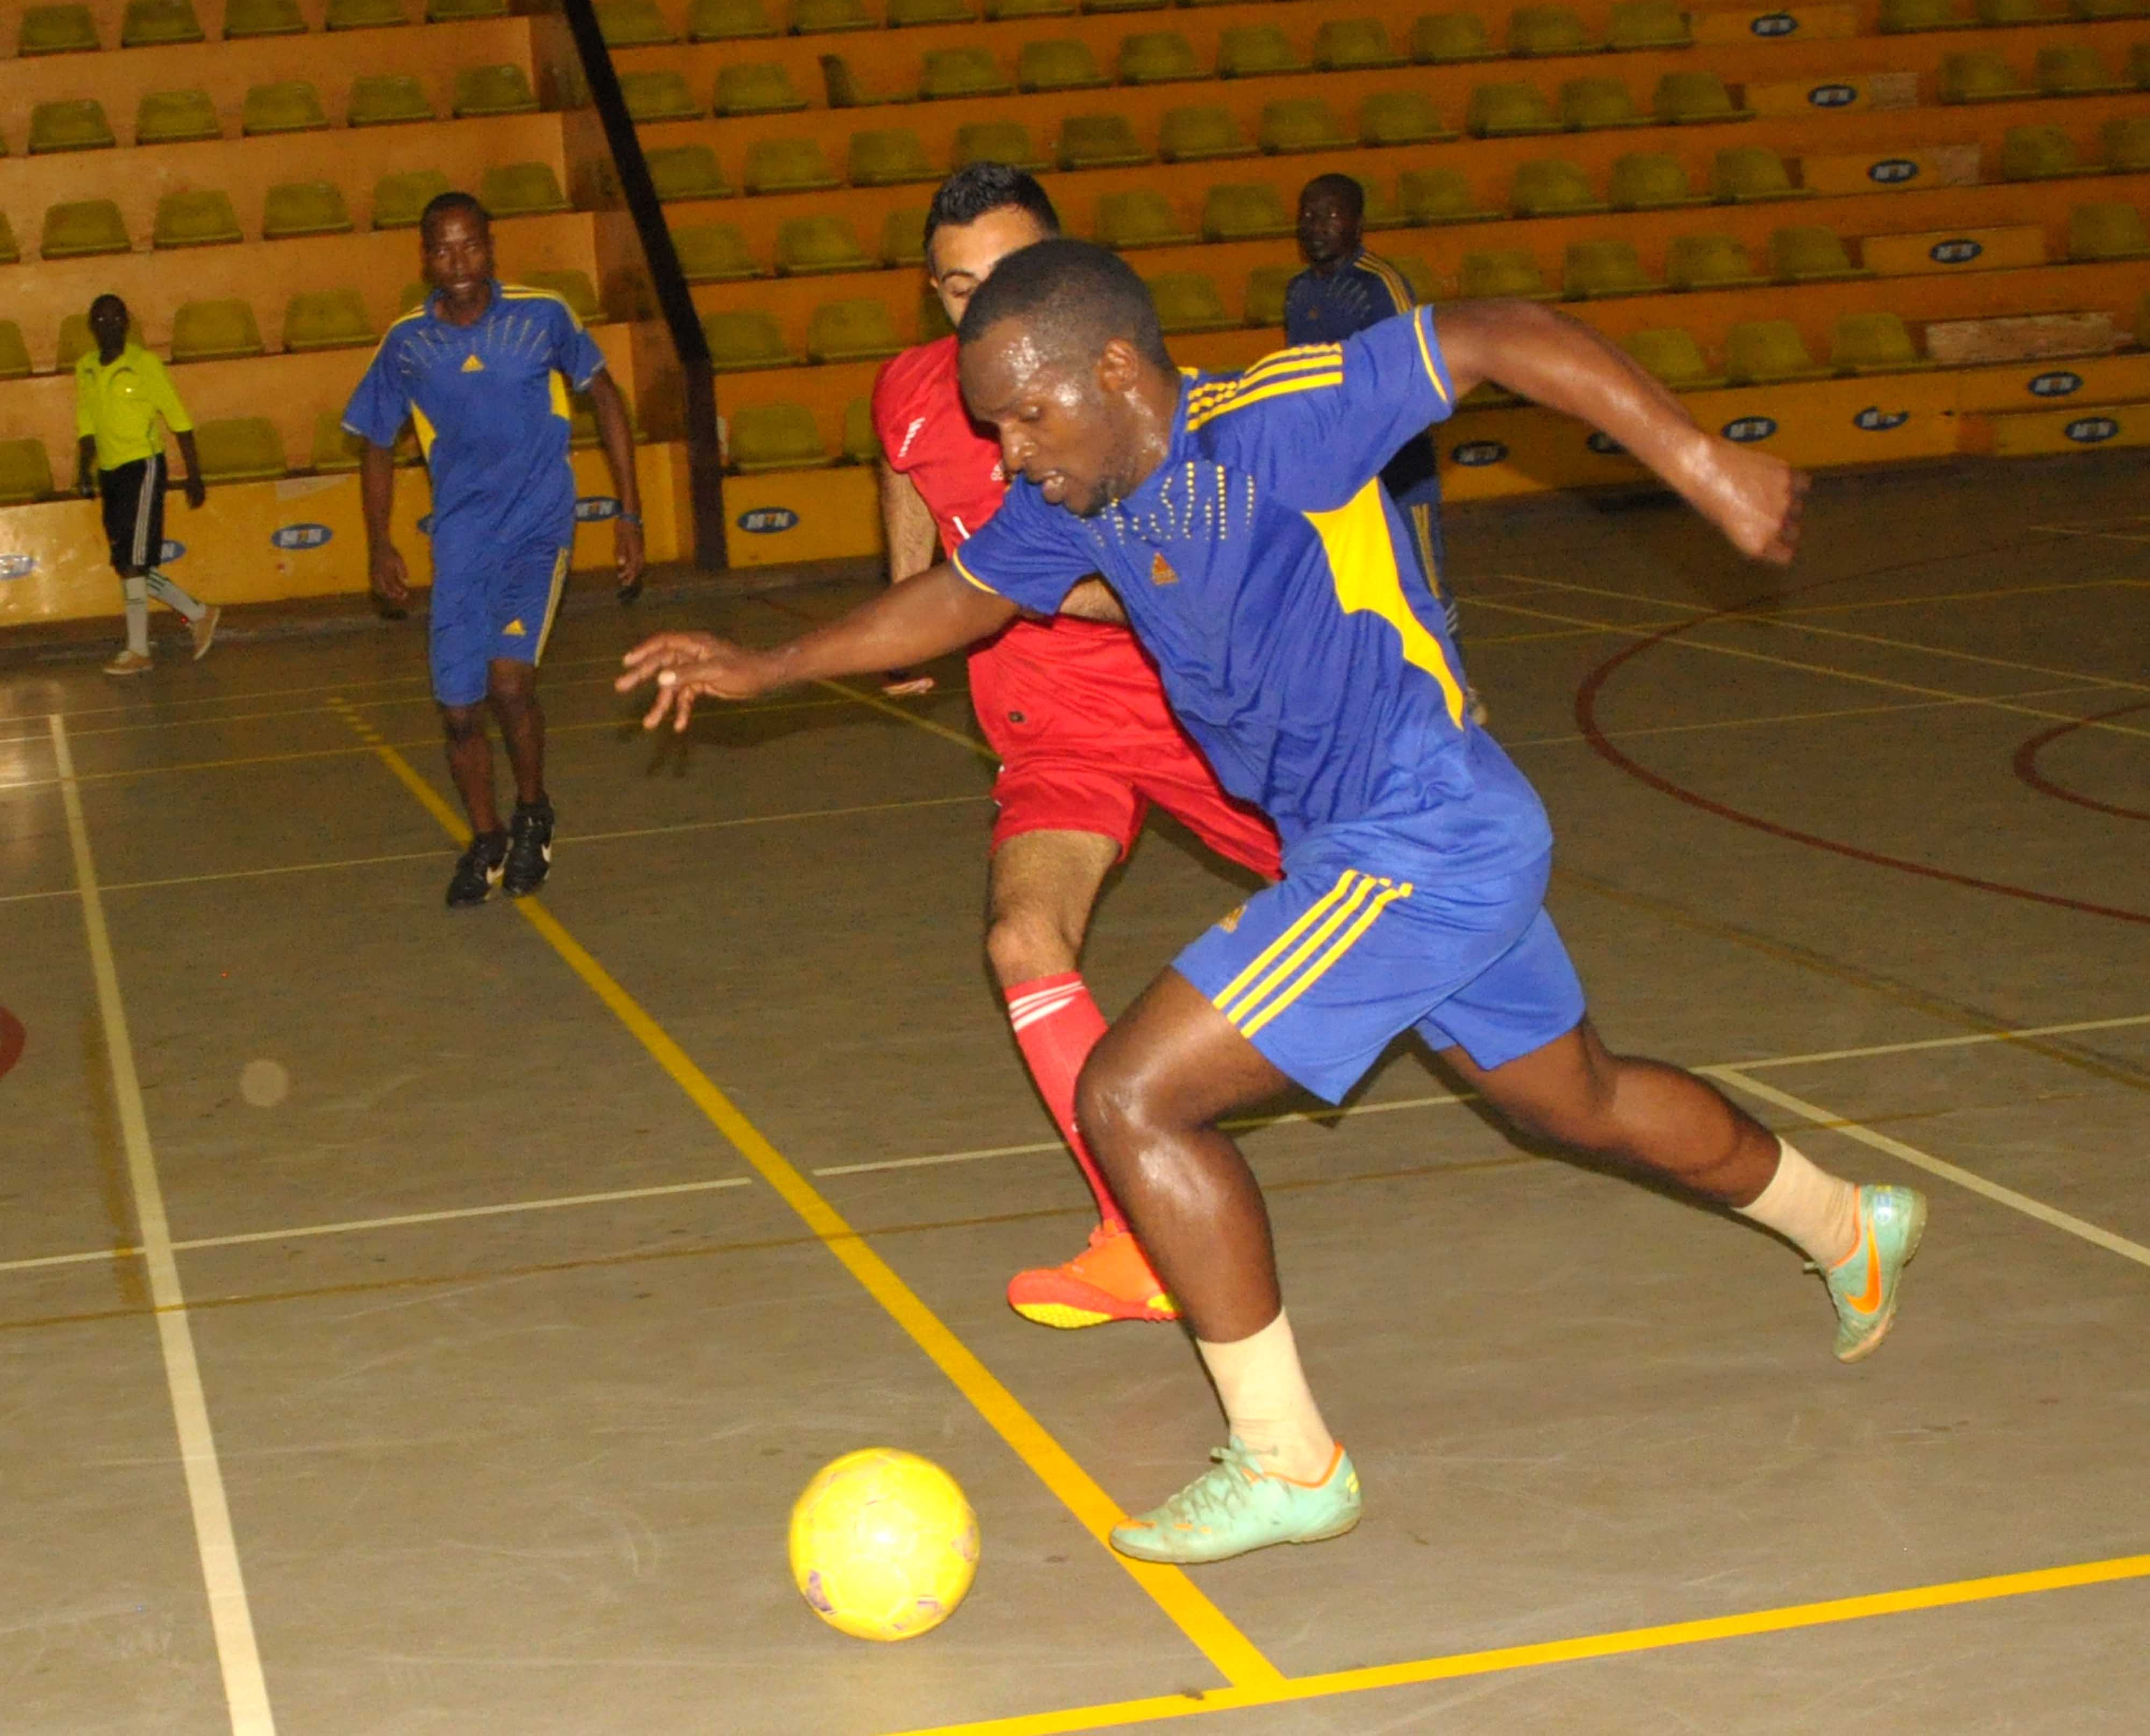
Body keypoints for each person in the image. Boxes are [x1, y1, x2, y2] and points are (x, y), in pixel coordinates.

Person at [618, 242, 1928, 1566]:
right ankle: (1844, 1224)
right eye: (993, 426)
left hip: (1416, 833)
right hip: (1405, 842)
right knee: (1574, 1098)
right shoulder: (1080, 500)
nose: (1008, 453)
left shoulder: (1272, 425)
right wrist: (766, 665)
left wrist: (1700, 462)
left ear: (1115, 369)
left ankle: (1285, 1458)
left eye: (1025, 416)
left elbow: (1494, 331)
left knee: (1133, 1095)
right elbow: (958, 596)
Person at [871, 164, 1284, 1331]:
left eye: (1008, 275)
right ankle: (1137, 1234)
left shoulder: (1123, 400)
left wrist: (991, 594)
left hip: (1188, 710)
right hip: (1049, 731)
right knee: (1021, 938)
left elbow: (1179, 574)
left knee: (1389, 900)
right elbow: (903, 460)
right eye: (958, 287)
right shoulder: (911, 391)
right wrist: (909, 592)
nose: (983, 304)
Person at [343, 192, 646, 907]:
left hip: (538, 528)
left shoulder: (543, 315)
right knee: (458, 710)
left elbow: (606, 397)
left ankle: (533, 810)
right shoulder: (407, 344)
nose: (458, 261)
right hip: (460, 541)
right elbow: (377, 442)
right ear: (426, 256)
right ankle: (486, 838)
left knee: (510, 684)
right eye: (443, 248)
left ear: (491, 247)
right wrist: (379, 541)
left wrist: (628, 513)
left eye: (471, 245)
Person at [1284, 173, 1476, 715]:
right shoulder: (1298, 293)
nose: (1316, 226)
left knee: (1423, 587)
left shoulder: (1379, 286)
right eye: (1308, 214)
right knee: (1349, 590)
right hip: (1337, 477)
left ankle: (1457, 691)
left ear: (1357, 223)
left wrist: (1370, 445)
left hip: (1398, 472)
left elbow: (1408, 378)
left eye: (1330, 215)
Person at [74, 294, 220, 676]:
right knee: (128, 562)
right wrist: (83, 468)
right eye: (100, 321)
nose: (108, 327)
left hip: (143, 467)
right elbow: (87, 421)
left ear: (127, 323)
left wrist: (194, 475)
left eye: (115, 319)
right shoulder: (86, 368)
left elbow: (179, 419)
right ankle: (198, 613)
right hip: (110, 472)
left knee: (134, 563)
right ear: (91, 327)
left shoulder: (144, 364)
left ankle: (139, 650)